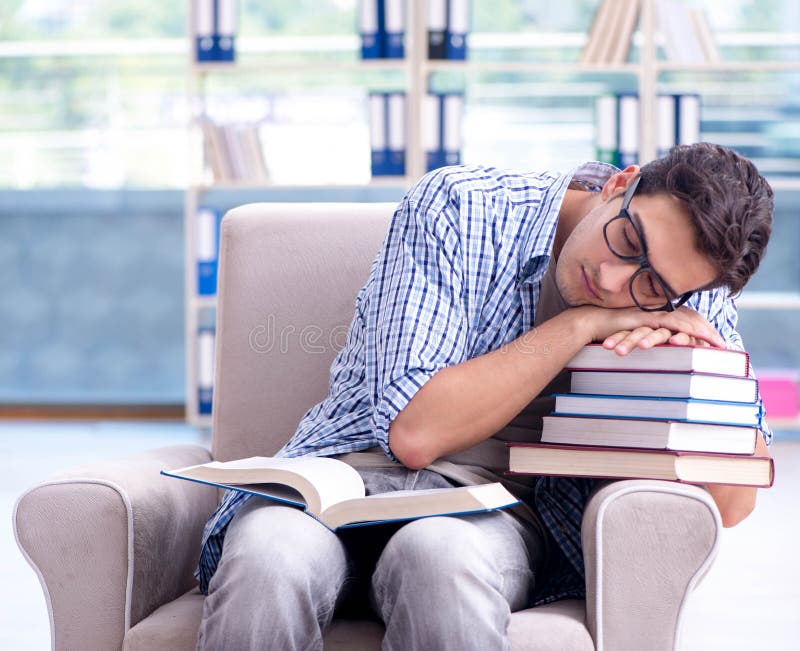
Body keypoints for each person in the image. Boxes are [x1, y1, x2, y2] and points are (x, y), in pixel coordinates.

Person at [195, 142, 774, 650]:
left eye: (649, 284)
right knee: (269, 552)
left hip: (492, 516)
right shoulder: (462, 205)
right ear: (619, 184)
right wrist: (578, 327)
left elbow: (730, 506)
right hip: (342, 479)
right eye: (627, 241)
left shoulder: (682, 296)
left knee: (438, 555)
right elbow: (415, 434)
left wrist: (706, 371)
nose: (616, 281)